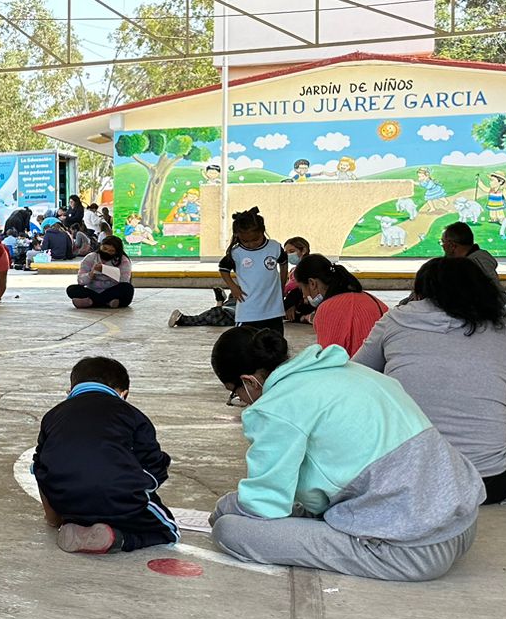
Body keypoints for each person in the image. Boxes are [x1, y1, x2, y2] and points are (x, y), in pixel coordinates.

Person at [208, 327, 482, 581]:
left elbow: (264, 507)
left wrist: (226, 509)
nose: (241, 403)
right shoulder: (348, 370)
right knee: (241, 506)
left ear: (249, 382)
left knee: (230, 530)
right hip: (462, 526)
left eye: (236, 395)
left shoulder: (276, 406)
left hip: (412, 550)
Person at [353, 257, 506, 505]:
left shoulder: (396, 320)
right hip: (488, 484)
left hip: (405, 481)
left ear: (420, 290)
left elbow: (356, 375)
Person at [32, 357, 177, 555]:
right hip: (118, 500)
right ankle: (120, 539)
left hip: (66, 503)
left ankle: (78, 525)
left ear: (70, 391)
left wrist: (53, 518)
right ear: (123, 394)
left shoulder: (52, 416)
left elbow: (39, 467)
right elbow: (152, 467)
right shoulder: (132, 414)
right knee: (168, 531)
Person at [218, 207, 287, 333]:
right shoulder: (236, 252)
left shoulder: (274, 247)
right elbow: (223, 269)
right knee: (245, 341)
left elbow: (283, 262)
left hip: (273, 308)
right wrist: (233, 286)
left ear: (262, 231)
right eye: (245, 241)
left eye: (255, 239)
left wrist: (282, 285)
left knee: (275, 340)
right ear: (237, 236)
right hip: (248, 309)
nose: (251, 244)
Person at [66, 235, 134, 309]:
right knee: (71, 289)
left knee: (127, 288)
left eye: (111, 251)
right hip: (93, 291)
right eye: (104, 249)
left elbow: (124, 280)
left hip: (113, 291)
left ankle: (92, 302)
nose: (107, 252)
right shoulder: (91, 258)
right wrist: (91, 274)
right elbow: (80, 281)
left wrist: (106, 270)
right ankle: (107, 302)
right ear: (100, 246)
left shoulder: (123, 260)